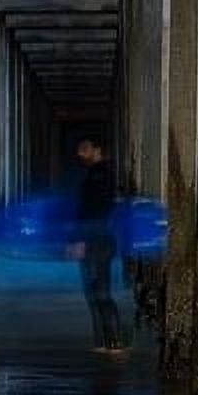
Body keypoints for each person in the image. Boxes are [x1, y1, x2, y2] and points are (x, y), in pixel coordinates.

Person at [67, 135, 125, 352]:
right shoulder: (96, 174)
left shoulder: (101, 175)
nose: (80, 153)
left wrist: (80, 239)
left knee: (100, 291)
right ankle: (104, 340)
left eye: (85, 148)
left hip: (98, 239)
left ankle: (113, 340)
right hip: (96, 238)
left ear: (97, 149)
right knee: (94, 291)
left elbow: (92, 211)